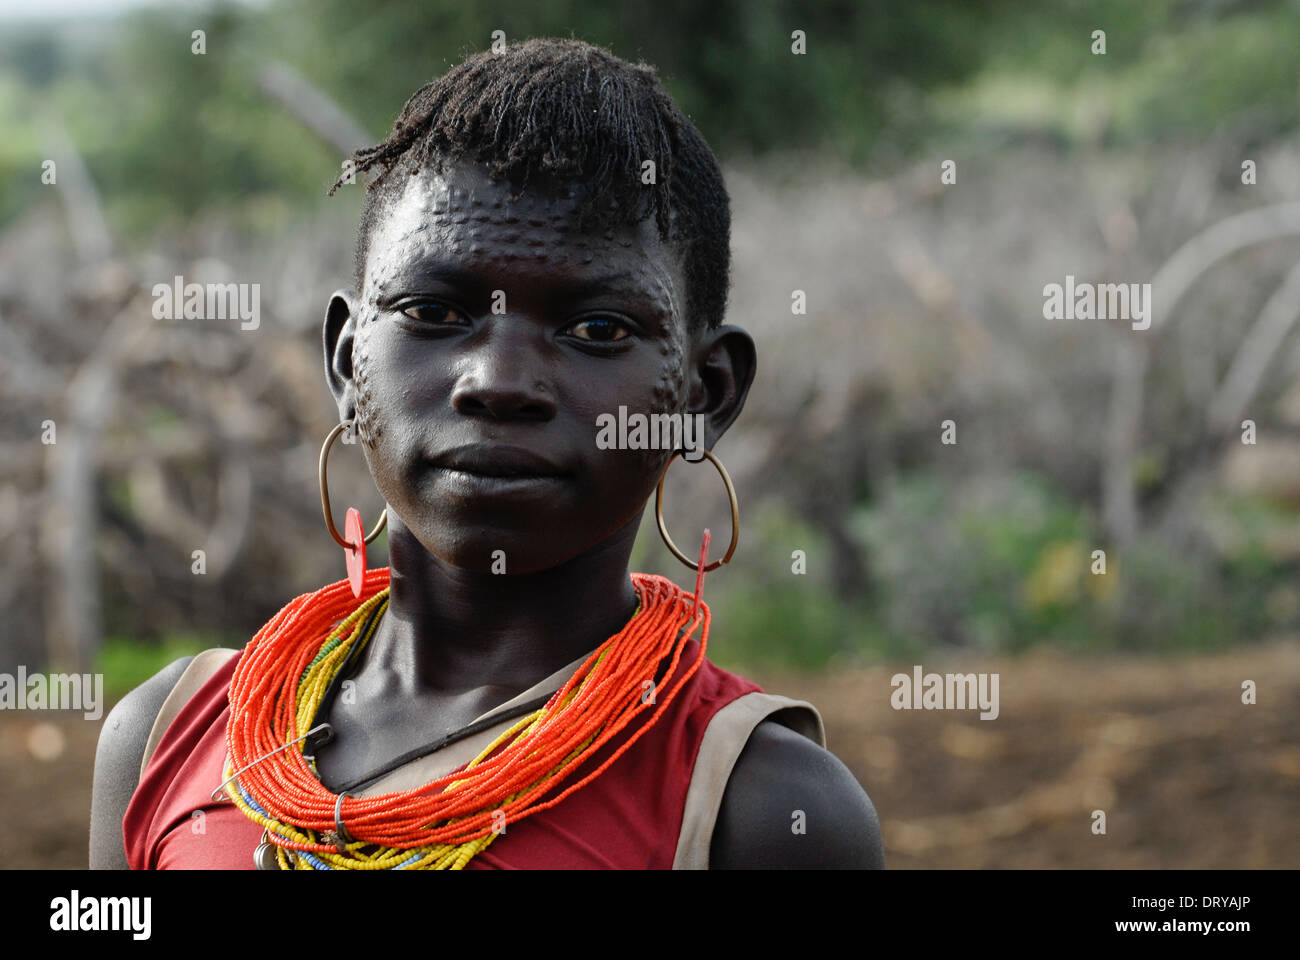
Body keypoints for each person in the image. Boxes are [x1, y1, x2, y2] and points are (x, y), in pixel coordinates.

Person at [90, 37, 884, 870]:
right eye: (434, 312)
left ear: (705, 394)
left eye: (598, 329)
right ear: (347, 366)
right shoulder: (167, 737)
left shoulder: (757, 809)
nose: (499, 383)